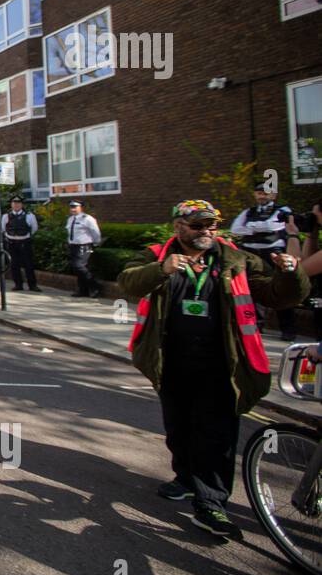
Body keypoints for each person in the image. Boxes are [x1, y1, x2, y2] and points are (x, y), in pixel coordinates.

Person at [119, 199, 308, 538]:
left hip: (224, 361)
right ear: (179, 226)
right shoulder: (156, 254)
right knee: (178, 427)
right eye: (198, 225)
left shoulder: (238, 258)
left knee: (217, 433)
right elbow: (128, 283)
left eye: (211, 225)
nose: (206, 231)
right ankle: (186, 477)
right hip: (172, 360)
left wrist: (291, 273)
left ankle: (211, 503)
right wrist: (161, 270)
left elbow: (277, 296)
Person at [230, 183, 298, 340]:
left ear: (273, 195)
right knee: (251, 289)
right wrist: (258, 227)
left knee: (280, 289)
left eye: (265, 193)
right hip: (250, 254)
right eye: (259, 193)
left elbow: (273, 225)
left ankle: (288, 329)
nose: (262, 196)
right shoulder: (249, 211)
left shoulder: (283, 210)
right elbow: (235, 229)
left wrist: (251, 226)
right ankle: (256, 325)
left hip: (273, 254)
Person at [1, 196, 41, 292]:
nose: (16, 205)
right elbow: (3, 228)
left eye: (18, 203)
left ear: (22, 204)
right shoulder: (6, 216)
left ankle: (32, 285)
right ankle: (18, 284)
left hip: (25, 242)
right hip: (12, 242)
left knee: (29, 264)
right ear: (11, 204)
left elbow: (34, 228)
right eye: (14, 203)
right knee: (14, 265)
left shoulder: (29, 216)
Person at [65, 200, 104, 297]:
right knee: (77, 268)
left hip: (84, 245)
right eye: (71, 207)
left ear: (81, 207)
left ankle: (95, 285)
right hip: (73, 246)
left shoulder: (87, 218)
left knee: (79, 266)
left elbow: (95, 232)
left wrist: (96, 242)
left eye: (75, 207)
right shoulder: (70, 219)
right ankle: (82, 290)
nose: (72, 209)